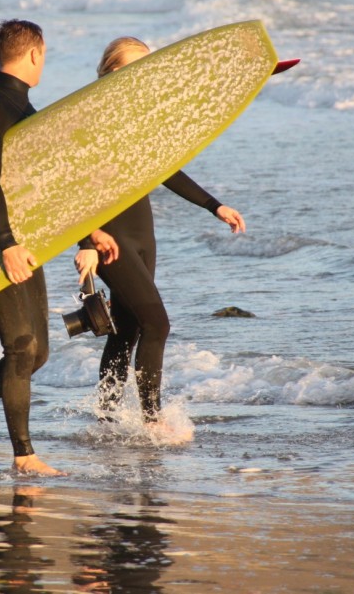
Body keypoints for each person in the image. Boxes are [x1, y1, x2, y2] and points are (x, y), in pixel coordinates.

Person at [0, 20, 118, 476]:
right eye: (45, 56)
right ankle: (24, 456)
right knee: (20, 346)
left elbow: (42, 188)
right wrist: (5, 244)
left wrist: (87, 234)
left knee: (37, 353)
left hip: (21, 242)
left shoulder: (20, 107)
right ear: (35, 54)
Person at [74, 36, 246, 436]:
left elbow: (164, 169)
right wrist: (86, 241)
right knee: (157, 323)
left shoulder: (139, 118)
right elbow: (76, 184)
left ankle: (106, 419)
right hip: (110, 236)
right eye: (137, 65)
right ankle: (152, 419)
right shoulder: (90, 117)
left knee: (128, 329)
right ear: (114, 69)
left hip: (142, 233)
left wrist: (214, 205)